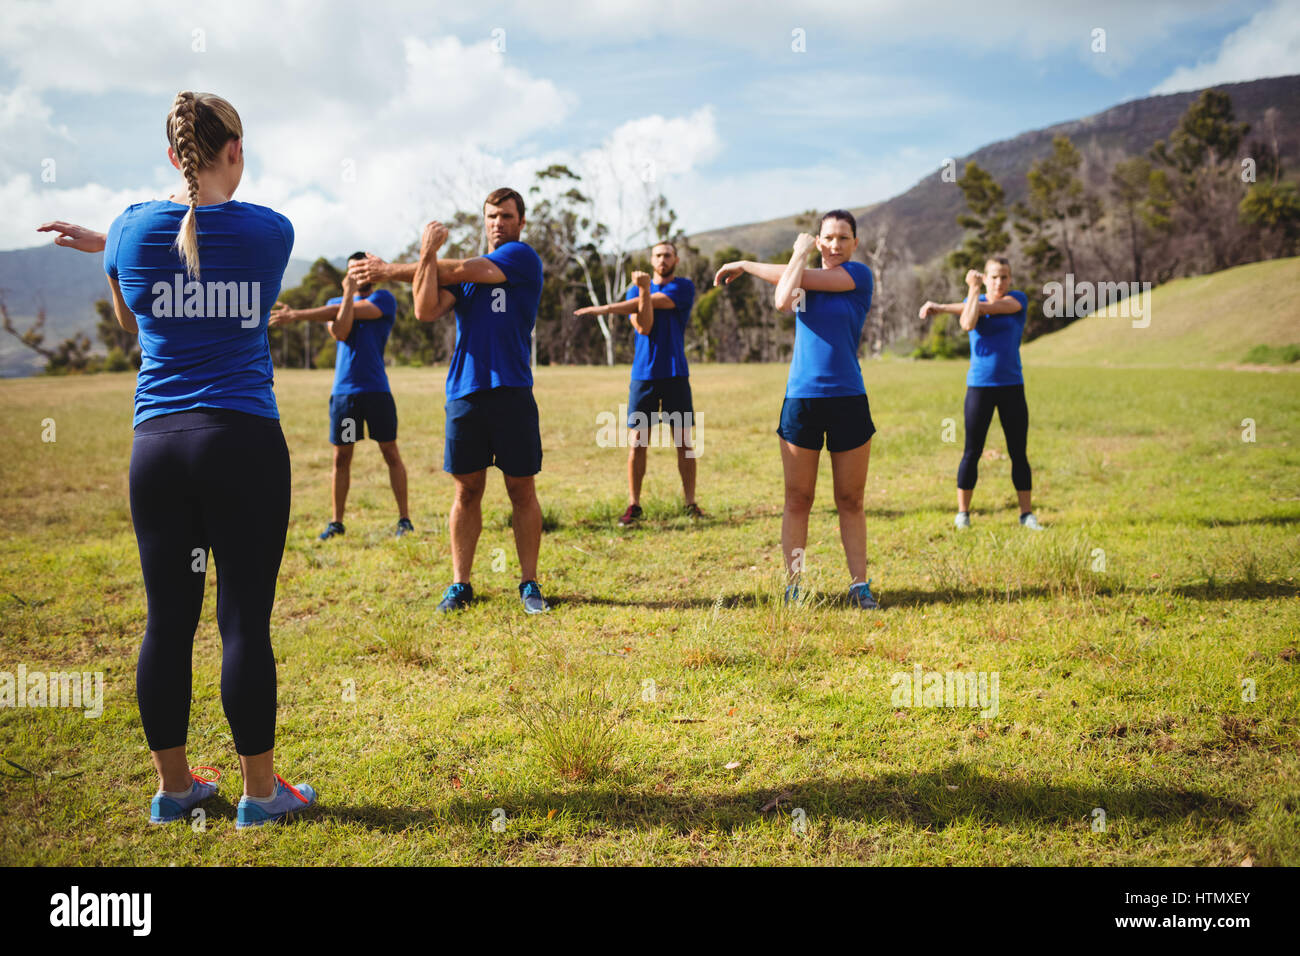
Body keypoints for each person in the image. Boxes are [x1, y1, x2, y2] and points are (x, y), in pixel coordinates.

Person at [37, 91, 316, 828]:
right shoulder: (272, 233)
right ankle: (261, 797)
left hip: (158, 445)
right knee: (243, 622)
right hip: (242, 442)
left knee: (167, 621)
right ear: (234, 151)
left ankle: (174, 789)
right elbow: (230, 286)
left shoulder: (129, 228)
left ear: (172, 157)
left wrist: (113, 245)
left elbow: (133, 316)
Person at [349, 187, 550, 613]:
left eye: (507, 216)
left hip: (512, 390)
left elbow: (457, 267)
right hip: (465, 392)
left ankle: (529, 583)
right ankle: (461, 584)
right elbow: (424, 309)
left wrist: (387, 269)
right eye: (492, 216)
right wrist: (424, 254)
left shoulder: (520, 258)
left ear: (521, 222)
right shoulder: (464, 277)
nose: (498, 223)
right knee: (467, 490)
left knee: (521, 488)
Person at [713, 210, 878, 609]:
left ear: (854, 243)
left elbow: (794, 282)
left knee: (850, 499)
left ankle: (860, 585)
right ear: (818, 241)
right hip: (802, 399)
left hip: (848, 399)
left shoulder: (858, 277)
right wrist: (749, 264)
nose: (836, 245)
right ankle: (794, 587)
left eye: (843, 238)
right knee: (798, 499)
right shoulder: (801, 274)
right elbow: (783, 299)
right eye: (828, 238)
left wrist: (790, 256)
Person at [269, 253, 412, 540]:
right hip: (345, 394)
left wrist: (297, 315)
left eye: (361, 271)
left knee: (390, 452)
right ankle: (337, 522)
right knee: (341, 458)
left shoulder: (384, 300)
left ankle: (404, 519)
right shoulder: (335, 304)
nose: (357, 276)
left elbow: (354, 315)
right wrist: (345, 296)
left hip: (376, 391)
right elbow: (342, 330)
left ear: (371, 273)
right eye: (352, 271)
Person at [575, 242, 703, 525]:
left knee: (684, 442)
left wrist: (605, 309)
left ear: (676, 259)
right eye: (657, 255)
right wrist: (643, 290)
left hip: (675, 374)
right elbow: (644, 325)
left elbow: (654, 304)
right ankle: (634, 505)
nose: (662, 259)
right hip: (643, 376)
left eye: (667, 255)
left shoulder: (683, 288)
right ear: (651, 259)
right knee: (637, 442)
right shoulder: (636, 291)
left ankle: (690, 503)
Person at [919, 258, 1041, 529]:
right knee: (971, 451)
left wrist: (942, 307)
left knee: (1018, 452)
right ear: (985, 278)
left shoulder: (1017, 300)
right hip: (979, 387)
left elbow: (990, 308)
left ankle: (1026, 514)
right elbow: (968, 323)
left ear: (1011, 280)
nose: (1000, 283)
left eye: (1005, 277)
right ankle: (963, 514)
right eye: (994, 277)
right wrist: (972, 292)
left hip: (1012, 386)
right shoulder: (973, 299)